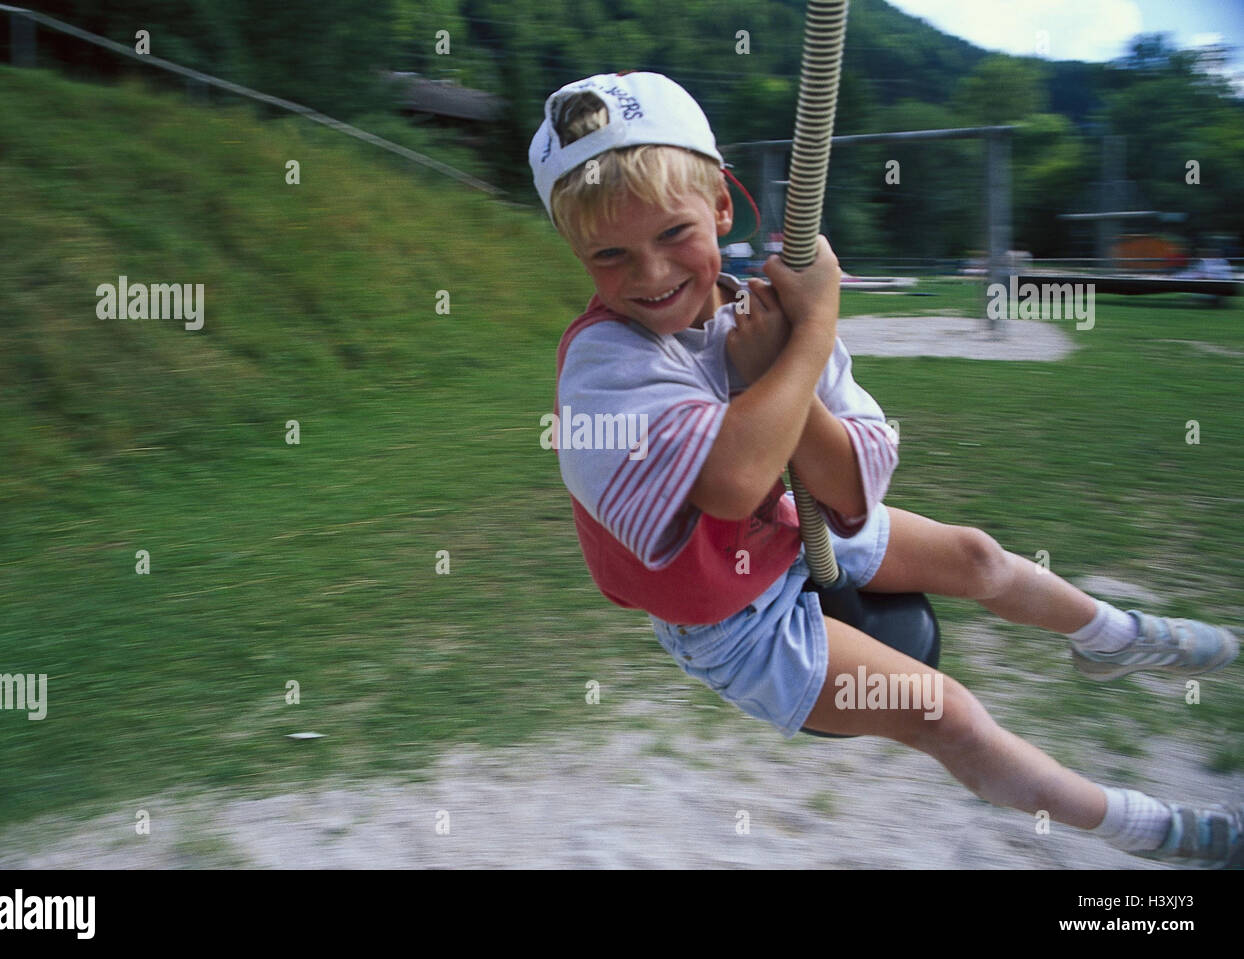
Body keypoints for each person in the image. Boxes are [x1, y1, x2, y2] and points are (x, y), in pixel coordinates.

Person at [529, 70, 1242, 867]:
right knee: (947, 712)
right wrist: (811, 331)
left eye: (672, 235)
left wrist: (787, 356)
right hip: (730, 616)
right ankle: (1152, 829)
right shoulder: (603, 367)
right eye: (610, 254)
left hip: (800, 532)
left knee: (976, 554)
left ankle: (1112, 636)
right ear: (576, 253)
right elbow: (731, 481)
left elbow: (851, 484)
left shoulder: (767, 314)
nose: (651, 275)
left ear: (722, 208)